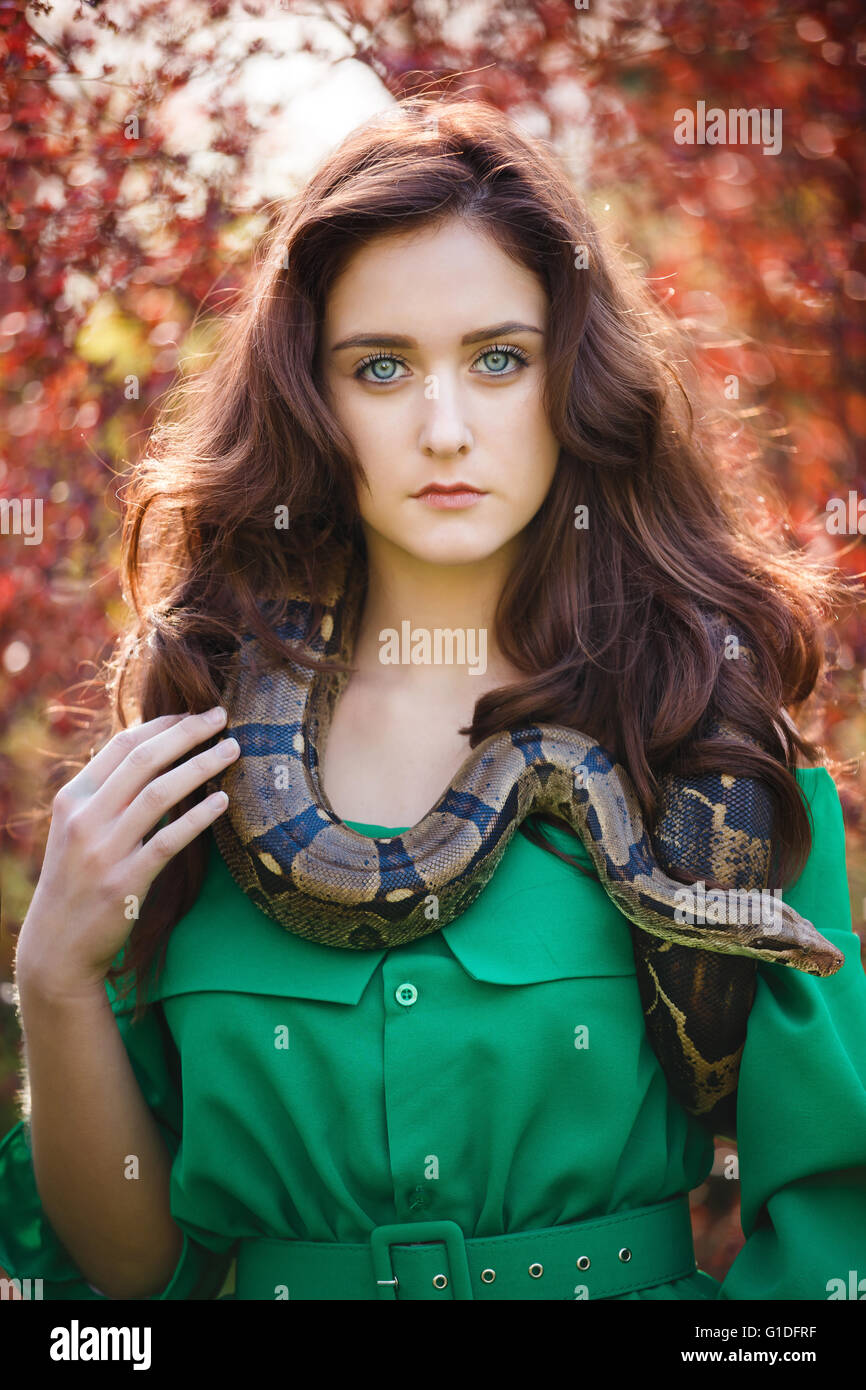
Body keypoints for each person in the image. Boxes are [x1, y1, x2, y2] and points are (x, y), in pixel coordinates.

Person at [1, 97, 865, 1303]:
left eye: (498, 359)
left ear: (573, 381)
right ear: (312, 392)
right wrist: (50, 980)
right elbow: (135, 1266)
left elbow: (832, 1220)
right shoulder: (192, 734)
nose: (443, 427)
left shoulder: (702, 742)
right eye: (382, 366)